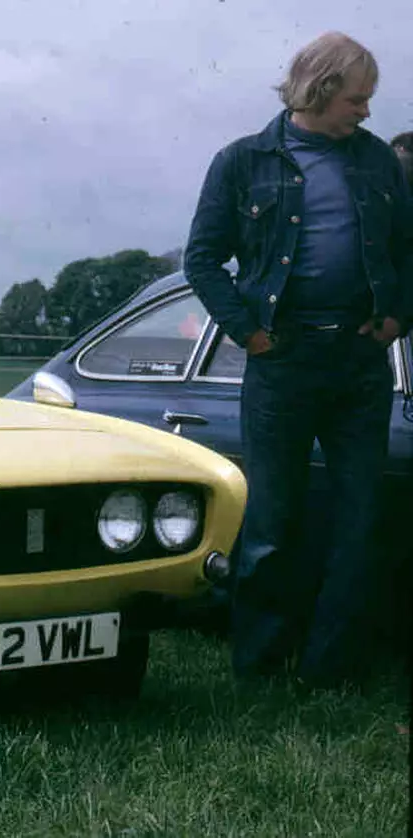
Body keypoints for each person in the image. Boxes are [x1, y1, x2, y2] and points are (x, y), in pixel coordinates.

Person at [183, 32, 413, 690]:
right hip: (281, 360)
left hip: (359, 362)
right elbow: (203, 258)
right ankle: (259, 669)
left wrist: (398, 317)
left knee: (360, 519)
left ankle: (331, 669)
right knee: (271, 522)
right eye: (358, 99)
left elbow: (409, 252)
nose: (368, 112)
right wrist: (248, 332)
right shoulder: (241, 162)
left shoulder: (378, 164)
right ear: (319, 89)